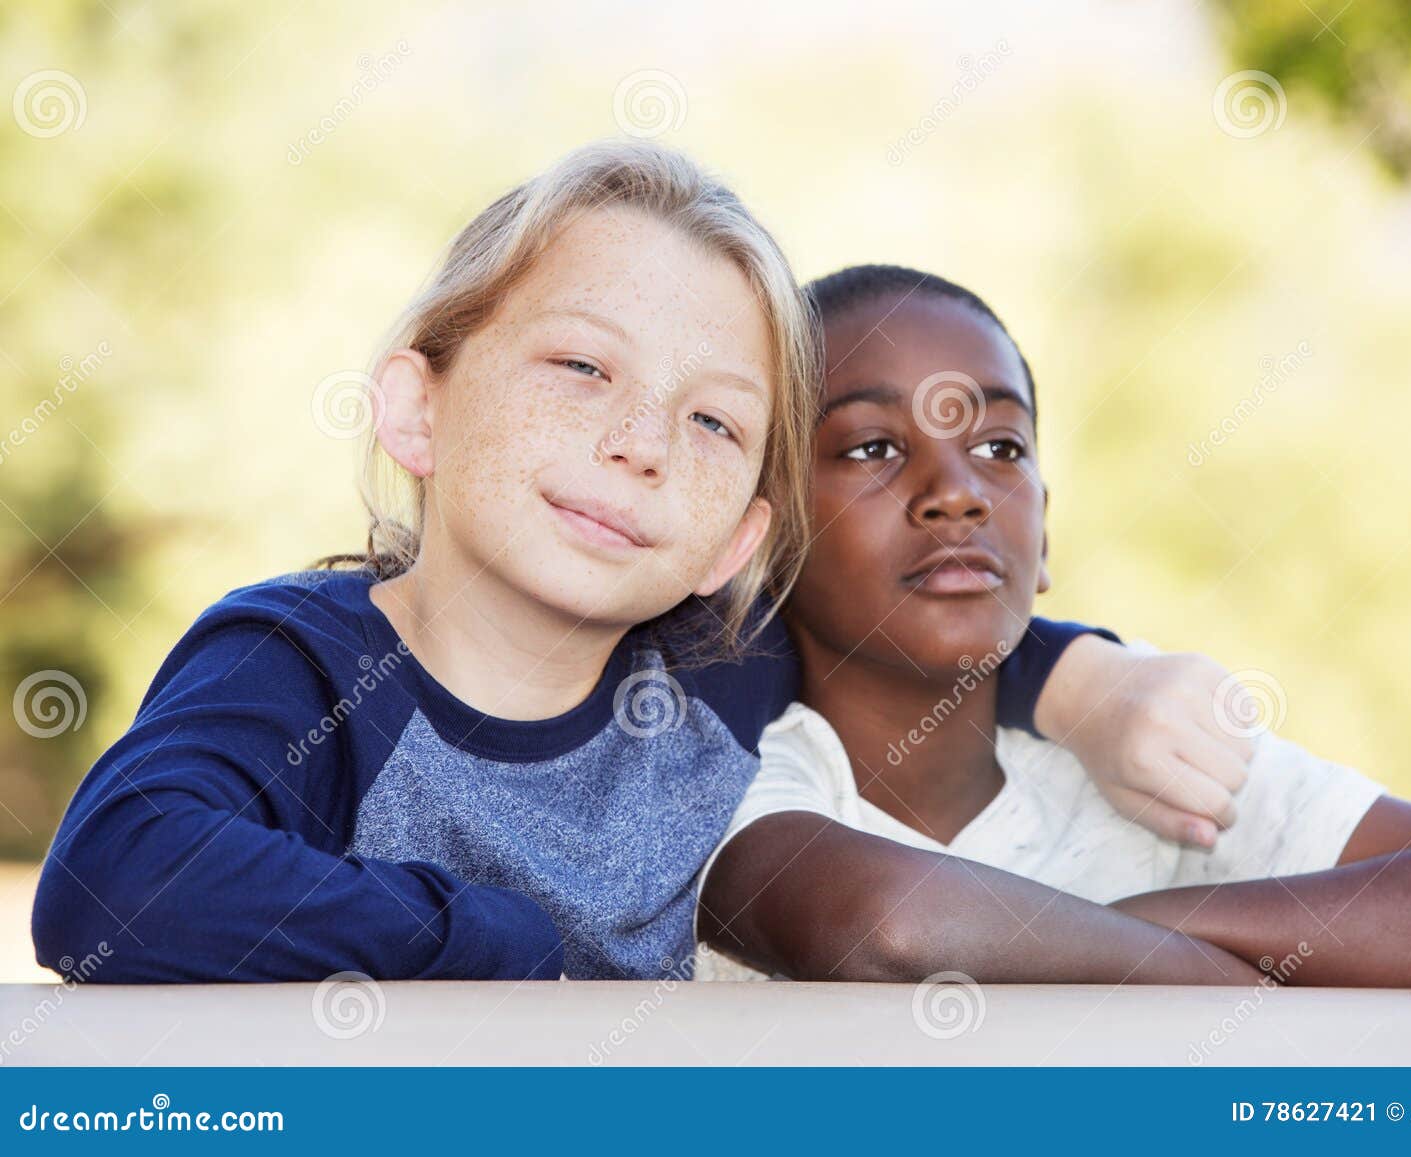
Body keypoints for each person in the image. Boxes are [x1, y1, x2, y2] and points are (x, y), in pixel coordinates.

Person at [32, 149, 1239, 984]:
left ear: (738, 541)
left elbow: (899, 623)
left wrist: (1090, 684)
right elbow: (121, 876)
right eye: (581, 368)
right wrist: (504, 941)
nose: (641, 442)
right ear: (416, 408)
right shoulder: (305, 664)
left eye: (712, 420)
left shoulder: (720, 672)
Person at [696, 264, 1411, 988]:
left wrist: (1142, 929)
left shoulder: (1139, 745)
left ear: (1045, 531)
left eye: (1000, 448)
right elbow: (884, 923)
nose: (957, 493)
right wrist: (1218, 977)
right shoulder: (723, 765)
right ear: (760, 531)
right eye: (872, 448)